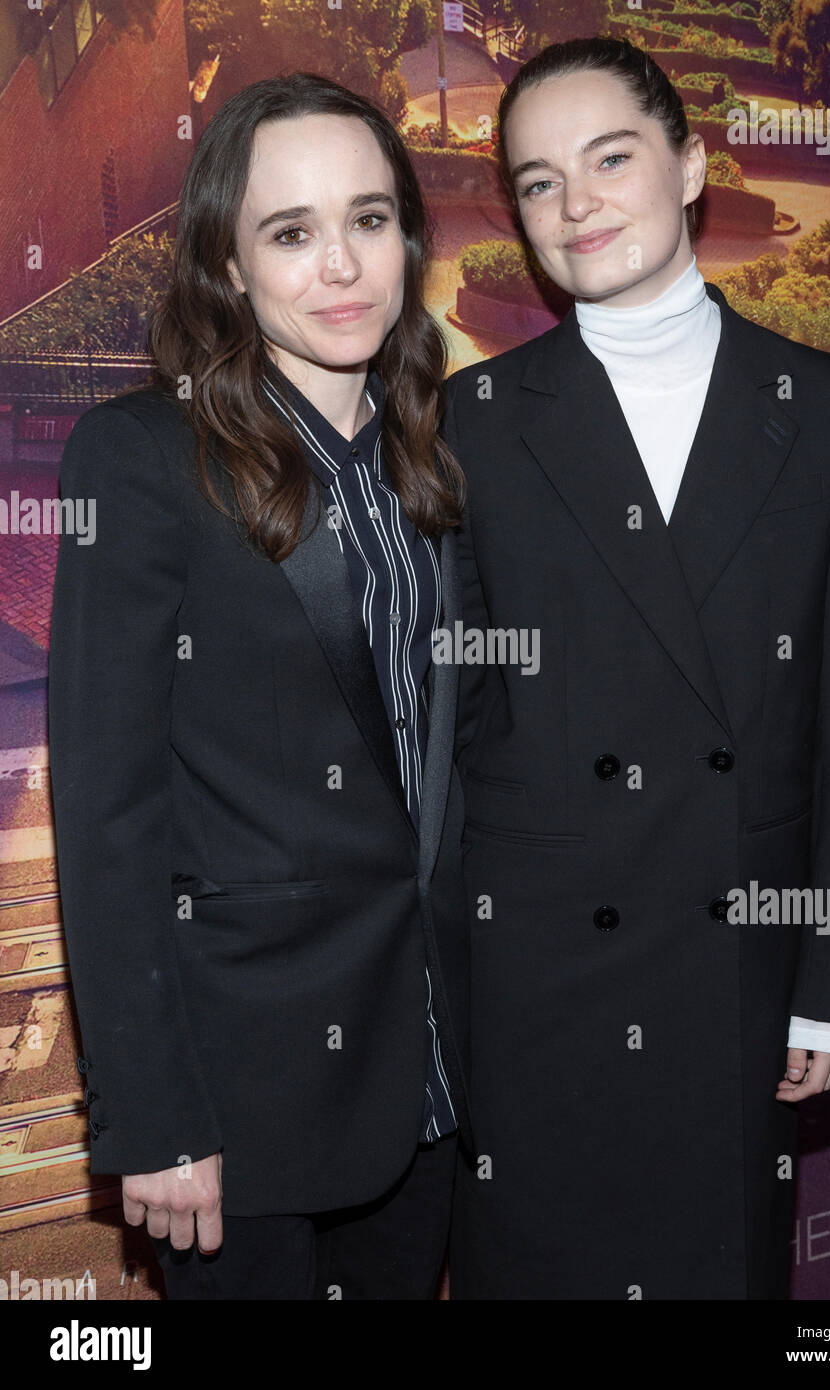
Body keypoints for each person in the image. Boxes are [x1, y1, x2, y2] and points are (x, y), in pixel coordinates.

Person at [443, 37, 830, 1299]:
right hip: (535, 983)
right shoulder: (474, 418)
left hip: (730, 968)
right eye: (535, 182)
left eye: (609, 158)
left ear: (690, 165)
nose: (573, 204)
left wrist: (827, 981)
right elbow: (453, 724)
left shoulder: (819, 403)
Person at [47, 72, 473, 1300]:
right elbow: (110, 816)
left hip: (431, 1070)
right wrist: (153, 1114)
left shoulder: (434, 453)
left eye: (370, 219)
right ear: (229, 267)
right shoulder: (137, 458)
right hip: (240, 1096)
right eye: (290, 232)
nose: (339, 264)